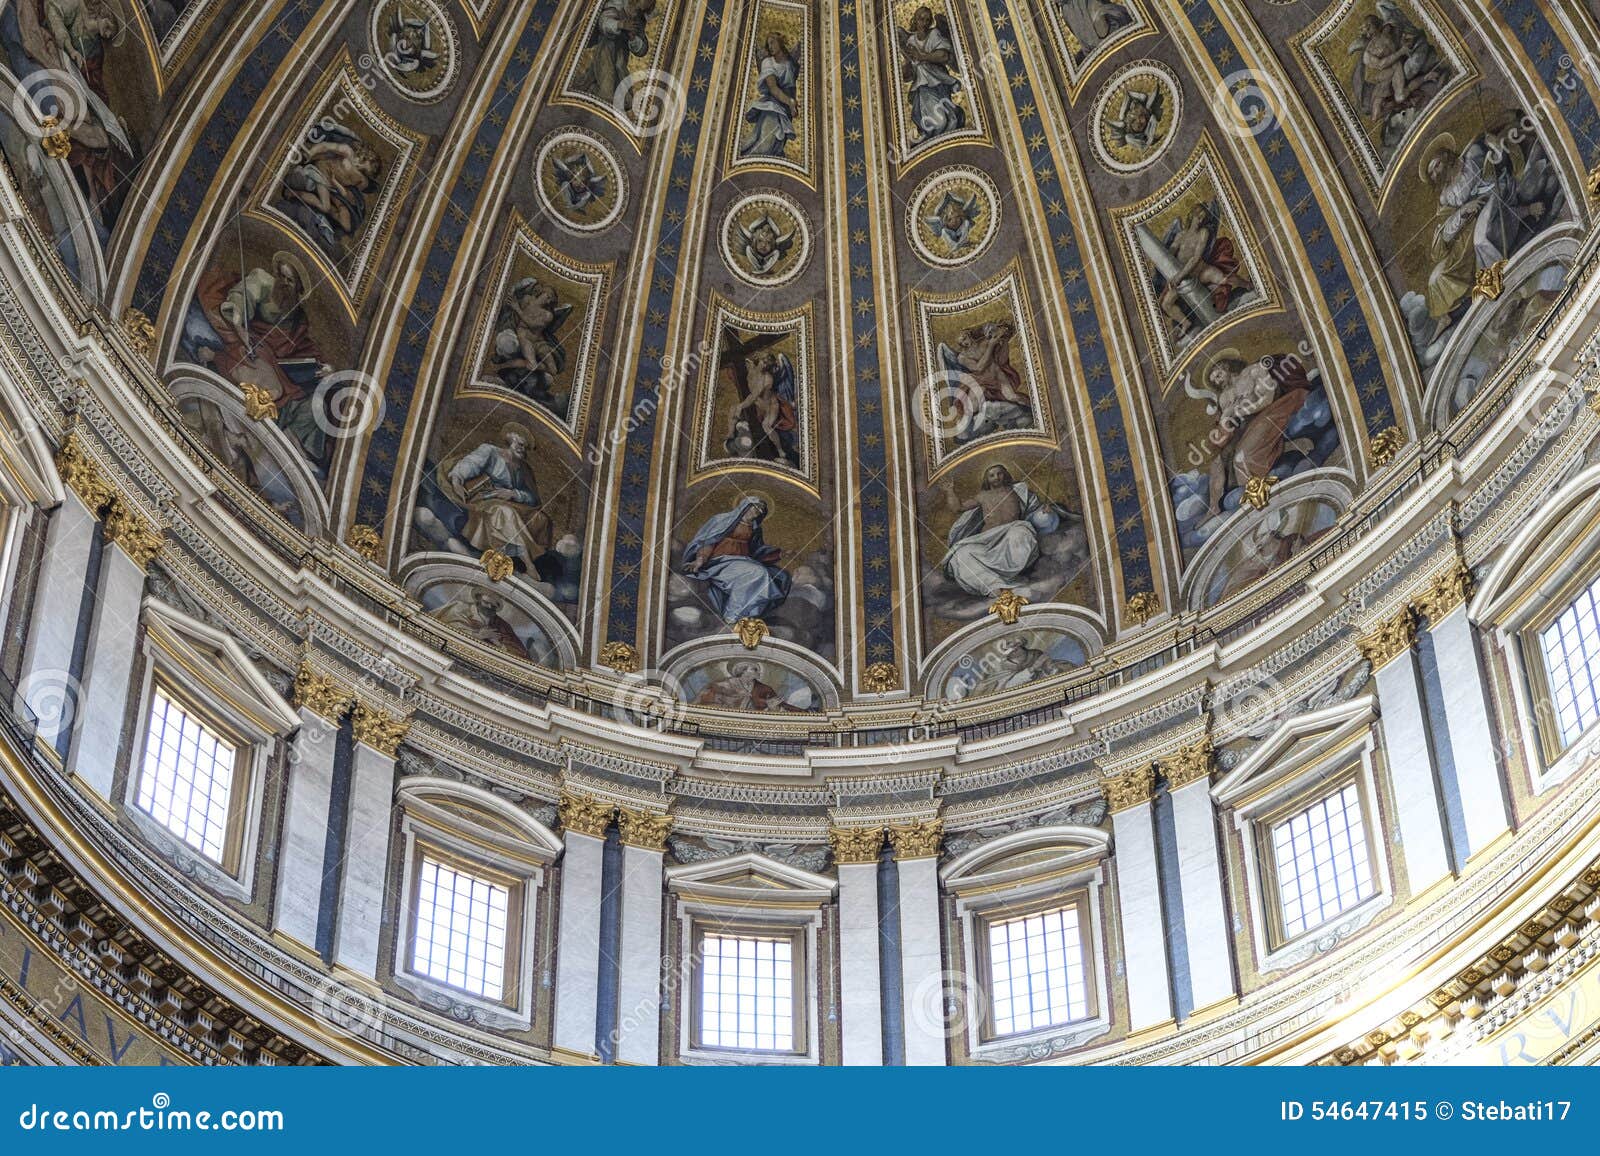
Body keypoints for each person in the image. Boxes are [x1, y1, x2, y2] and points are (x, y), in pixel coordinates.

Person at [195, 254, 332, 466]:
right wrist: (241, 329)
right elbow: (239, 302)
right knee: (250, 371)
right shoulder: (262, 281)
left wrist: (325, 367)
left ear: (299, 288)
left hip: (277, 362)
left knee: (313, 404)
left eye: (290, 281)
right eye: (281, 276)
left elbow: (304, 345)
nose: (283, 283)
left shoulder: (297, 314)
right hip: (247, 339)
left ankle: (300, 450)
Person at [940, 465, 1062, 597]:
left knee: (1021, 533)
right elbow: (958, 508)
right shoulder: (982, 496)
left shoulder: (1018, 491)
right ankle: (994, 584)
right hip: (987, 541)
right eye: (991, 475)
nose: (996, 477)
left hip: (1012, 532)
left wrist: (1044, 512)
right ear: (987, 479)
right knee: (961, 554)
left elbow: (1034, 511)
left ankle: (1009, 575)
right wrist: (949, 491)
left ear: (1005, 475)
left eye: (999, 474)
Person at [445, 423, 554, 567]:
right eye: (520, 444)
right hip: (485, 498)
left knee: (541, 519)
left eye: (525, 447)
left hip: (511, 501)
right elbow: (470, 464)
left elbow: (532, 497)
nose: (522, 449)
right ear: (511, 439)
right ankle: (527, 562)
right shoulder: (490, 451)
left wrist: (513, 493)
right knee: (505, 512)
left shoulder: (523, 468)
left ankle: (526, 559)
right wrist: (457, 480)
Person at [681, 496, 791, 623]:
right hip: (720, 562)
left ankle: (748, 613)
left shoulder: (755, 528)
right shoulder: (723, 520)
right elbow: (708, 541)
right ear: (745, 506)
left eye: (761, 511)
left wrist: (779, 554)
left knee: (778, 576)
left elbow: (756, 550)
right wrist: (700, 559)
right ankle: (732, 614)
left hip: (743, 562)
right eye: (755, 507)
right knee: (757, 572)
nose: (757, 512)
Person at [278, 126, 382, 256]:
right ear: (365, 155)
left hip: (332, 185)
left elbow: (347, 192)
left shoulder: (361, 179)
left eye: (364, 169)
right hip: (323, 170)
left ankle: (321, 221)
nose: (359, 165)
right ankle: (293, 194)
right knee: (325, 206)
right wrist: (309, 154)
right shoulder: (348, 152)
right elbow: (325, 147)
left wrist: (336, 183)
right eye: (363, 161)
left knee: (344, 221)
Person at [899, 8, 965, 141]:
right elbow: (908, 73)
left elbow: (944, 56)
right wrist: (906, 67)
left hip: (938, 81)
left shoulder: (934, 34)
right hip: (922, 87)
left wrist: (922, 56)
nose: (924, 23)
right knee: (937, 121)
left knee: (947, 119)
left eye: (927, 20)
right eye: (921, 19)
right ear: (914, 20)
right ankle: (931, 136)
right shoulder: (911, 40)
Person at [582, 0, 656, 104]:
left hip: (621, 55)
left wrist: (633, 38)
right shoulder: (618, 5)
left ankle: (598, 91)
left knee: (621, 83)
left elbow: (642, 50)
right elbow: (603, 22)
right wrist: (620, 24)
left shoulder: (639, 20)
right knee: (606, 79)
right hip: (606, 49)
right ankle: (601, 92)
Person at [739, 32, 798, 158]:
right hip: (773, 107)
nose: (769, 46)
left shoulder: (790, 63)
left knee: (776, 147)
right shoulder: (768, 62)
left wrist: (790, 105)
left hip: (786, 110)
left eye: (772, 42)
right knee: (764, 145)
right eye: (768, 44)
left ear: (780, 42)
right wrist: (790, 102)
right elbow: (773, 88)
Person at [431, 588, 529, 659]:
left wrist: (498, 643)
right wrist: (478, 635)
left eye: (493, 605)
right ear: (478, 600)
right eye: (486, 603)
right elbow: (447, 624)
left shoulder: (502, 625)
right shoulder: (461, 608)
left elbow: (519, 653)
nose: (489, 607)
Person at [692, 660, 784, 710]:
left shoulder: (764, 688)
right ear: (743, 671)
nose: (759, 672)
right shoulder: (724, 685)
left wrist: (771, 707)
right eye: (754, 669)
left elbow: (776, 707)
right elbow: (704, 703)